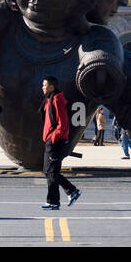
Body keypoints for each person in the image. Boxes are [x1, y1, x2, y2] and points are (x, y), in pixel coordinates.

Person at [40, 76, 80, 211]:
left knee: (51, 172)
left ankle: (53, 202)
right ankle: (72, 191)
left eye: (44, 85)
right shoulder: (49, 98)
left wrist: (53, 138)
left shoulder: (57, 99)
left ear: (51, 87)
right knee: (49, 171)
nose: (42, 87)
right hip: (50, 140)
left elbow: (62, 123)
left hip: (55, 141)